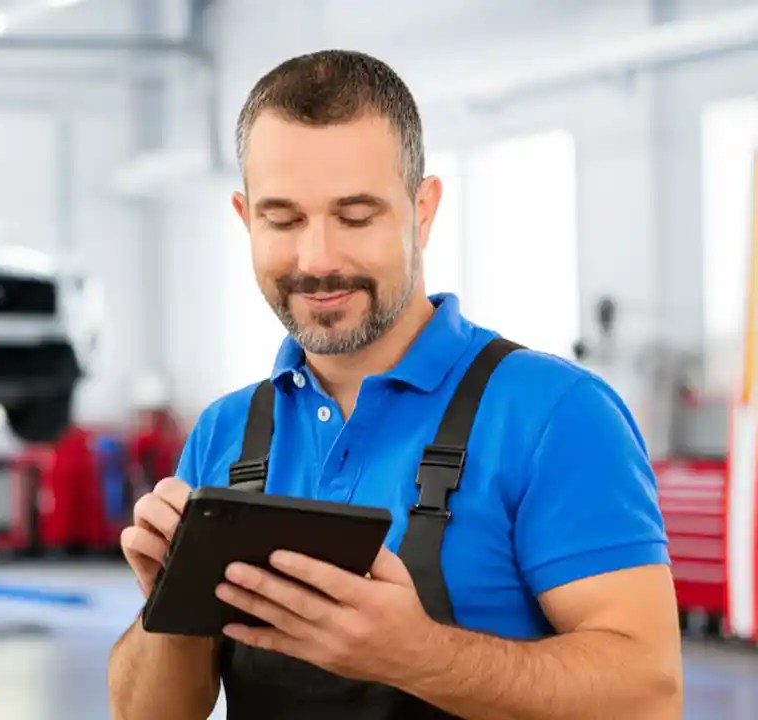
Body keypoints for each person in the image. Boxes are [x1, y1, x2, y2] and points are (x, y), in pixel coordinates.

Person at [107, 49, 682, 720]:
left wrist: (418, 655)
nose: (317, 259)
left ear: (423, 210)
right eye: (283, 219)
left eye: (355, 217)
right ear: (245, 217)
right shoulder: (225, 433)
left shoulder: (554, 414)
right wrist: (171, 602)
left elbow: (648, 694)